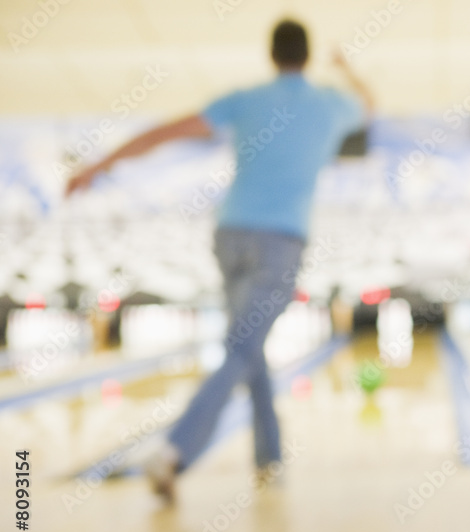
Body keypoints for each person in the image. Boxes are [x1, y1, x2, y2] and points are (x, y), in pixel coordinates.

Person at [66, 19, 374, 502]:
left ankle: (269, 461)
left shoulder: (245, 99)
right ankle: (172, 451)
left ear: (272, 56)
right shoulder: (330, 104)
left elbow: (168, 131)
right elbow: (370, 106)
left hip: (230, 237)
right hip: (280, 243)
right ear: (307, 57)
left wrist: (99, 164)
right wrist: (347, 69)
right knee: (241, 350)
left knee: (248, 350)